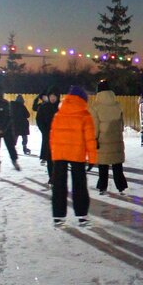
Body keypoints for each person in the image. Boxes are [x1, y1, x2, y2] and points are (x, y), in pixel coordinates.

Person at [49, 85, 98, 228]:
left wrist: (54, 154)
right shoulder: (84, 114)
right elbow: (90, 139)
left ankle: (58, 216)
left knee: (58, 185)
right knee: (79, 185)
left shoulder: (58, 114)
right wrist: (92, 158)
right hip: (77, 154)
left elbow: (52, 136)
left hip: (59, 155)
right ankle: (82, 216)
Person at [89, 79, 128, 195]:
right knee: (117, 165)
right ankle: (121, 187)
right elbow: (122, 124)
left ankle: (102, 187)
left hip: (102, 139)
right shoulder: (117, 105)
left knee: (103, 164)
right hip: (116, 139)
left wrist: (94, 138)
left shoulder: (95, 107)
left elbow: (95, 126)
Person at [33, 86, 61, 184]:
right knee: (50, 158)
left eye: (54, 96)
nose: (52, 98)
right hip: (48, 136)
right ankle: (52, 177)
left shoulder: (61, 108)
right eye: (51, 96)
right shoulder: (44, 107)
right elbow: (39, 120)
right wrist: (45, 131)